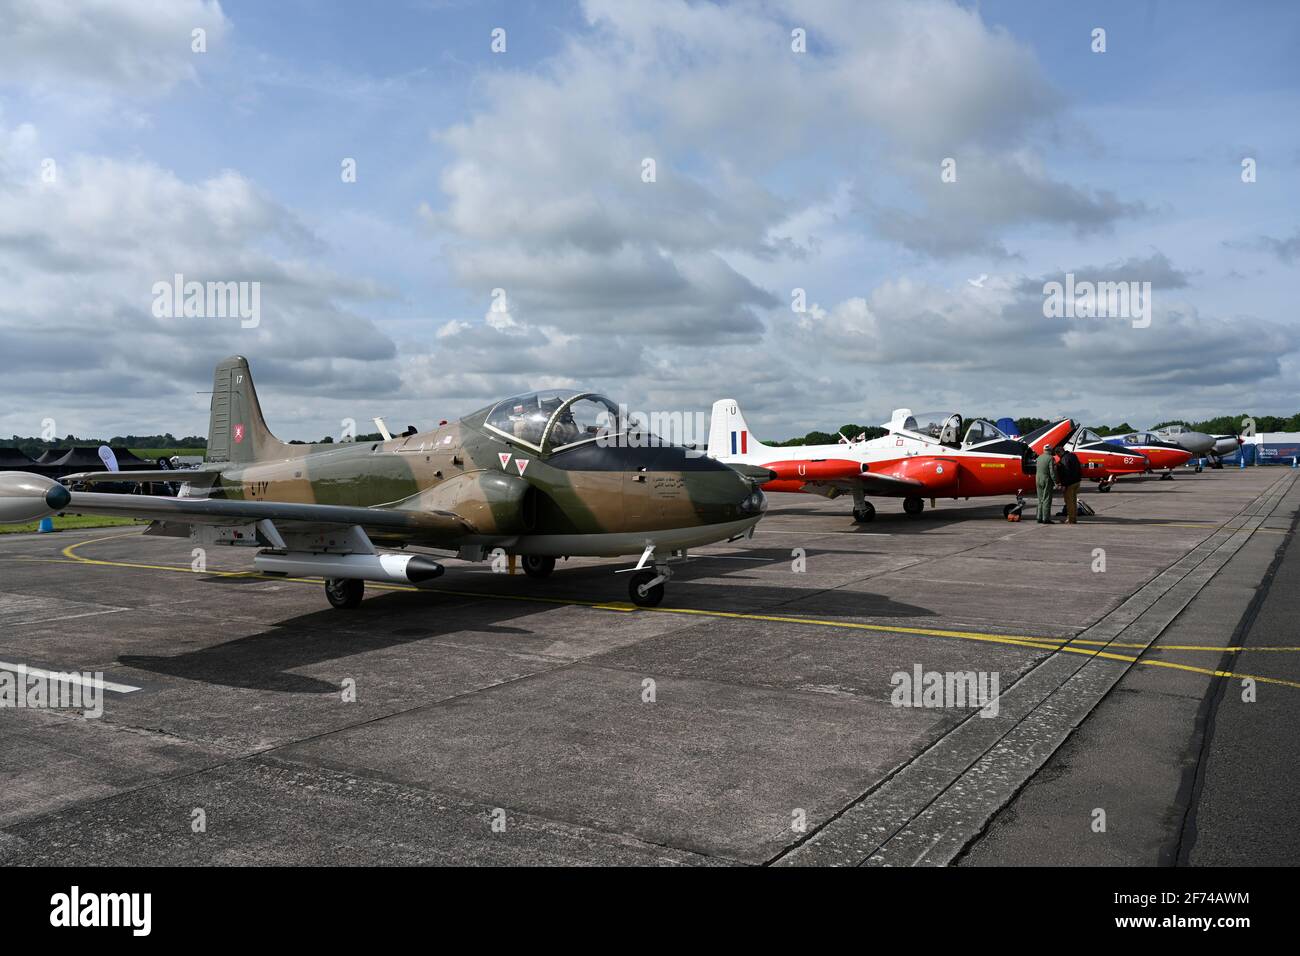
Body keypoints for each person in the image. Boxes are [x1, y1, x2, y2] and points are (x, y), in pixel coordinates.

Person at [1056, 445, 1083, 524]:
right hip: (1077, 481)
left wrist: (1064, 484)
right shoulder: (1073, 455)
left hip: (1070, 484)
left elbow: (1066, 472)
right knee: (1074, 501)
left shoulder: (1064, 459)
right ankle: (1073, 518)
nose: (1058, 456)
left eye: (1058, 455)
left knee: (1069, 502)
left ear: (1059, 452)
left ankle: (1071, 520)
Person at [1035, 443, 1057, 524]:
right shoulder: (1051, 458)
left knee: (1040, 499)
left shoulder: (1039, 457)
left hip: (1038, 479)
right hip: (1046, 479)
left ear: (1043, 450)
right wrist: (1056, 482)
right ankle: (1046, 519)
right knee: (1047, 499)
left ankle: (1039, 517)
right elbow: (1052, 472)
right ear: (1050, 450)